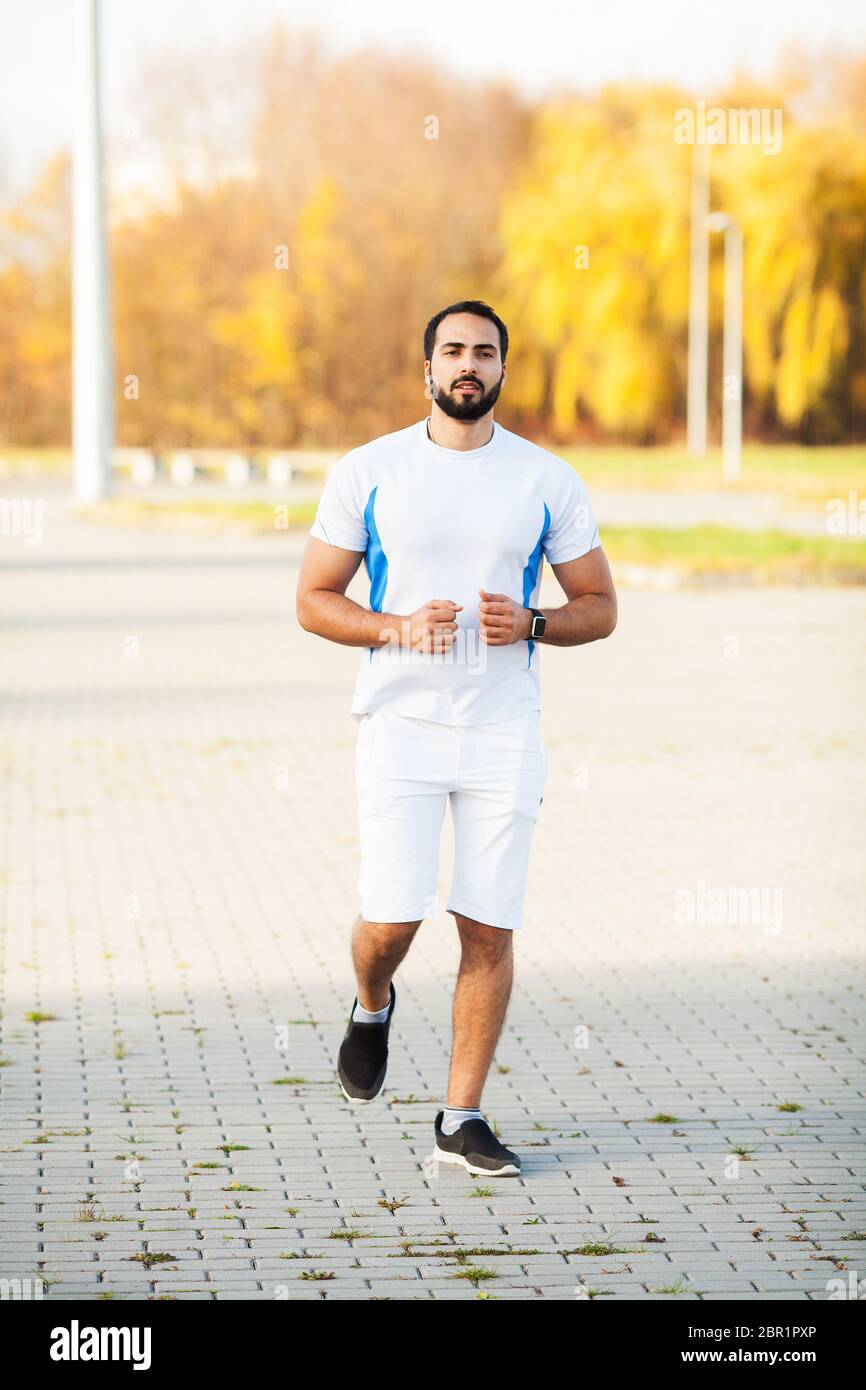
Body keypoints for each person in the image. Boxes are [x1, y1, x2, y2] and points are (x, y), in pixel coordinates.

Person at [296, 300, 617, 1176]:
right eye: (452, 351)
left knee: (488, 925)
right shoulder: (370, 471)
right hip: (400, 723)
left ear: (504, 369)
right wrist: (395, 627)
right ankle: (371, 1001)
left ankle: (460, 1117)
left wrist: (539, 624)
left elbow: (600, 607)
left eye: (484, 352)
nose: (467, 364)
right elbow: (313, 600)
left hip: (503, 731)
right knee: (392, 917)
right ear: (426, 370)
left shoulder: (546, 479)